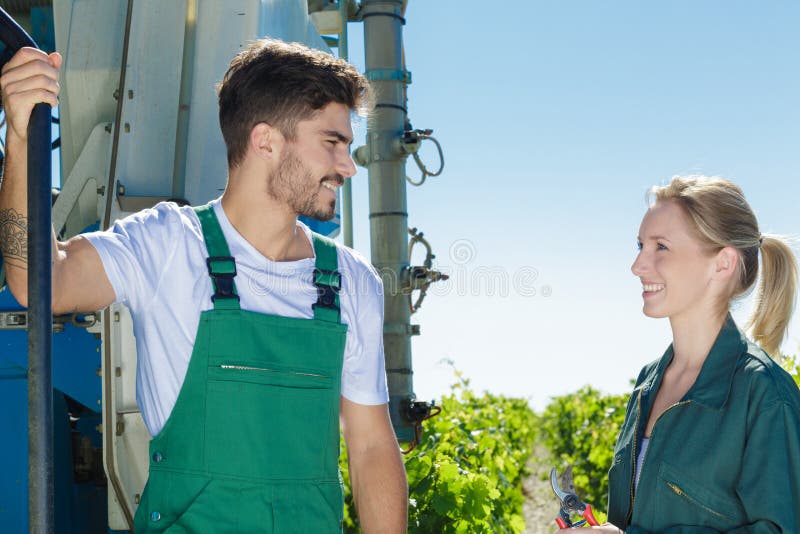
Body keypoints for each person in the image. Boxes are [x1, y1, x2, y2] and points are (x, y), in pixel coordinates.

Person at [0, 40, 407, 532]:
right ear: (265, 141)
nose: (348, 166)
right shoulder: (169, 243)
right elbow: (43, 280)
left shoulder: (350, 281)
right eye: (331, 142)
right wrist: (22, 138)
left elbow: (370, 448)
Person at [557, 175, 800, 533]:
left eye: (661, 247)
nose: (637, 265)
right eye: (639, 245)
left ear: (722, 263)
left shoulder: (763, 393)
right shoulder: (646, 385)